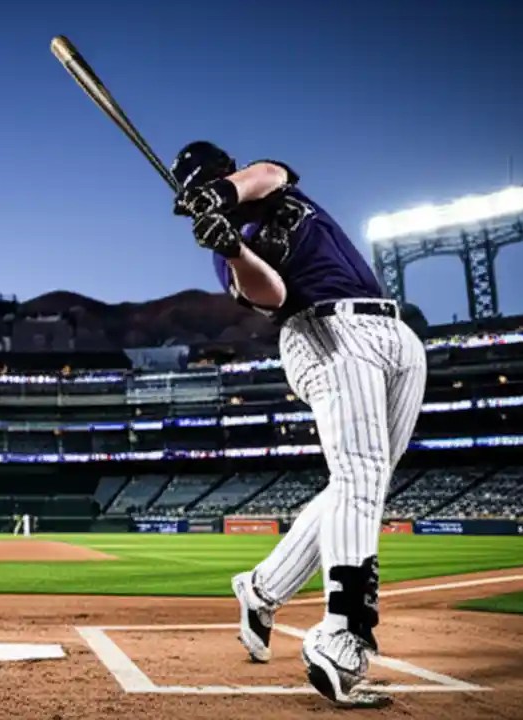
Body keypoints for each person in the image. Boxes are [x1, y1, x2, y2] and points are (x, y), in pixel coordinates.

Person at [169, 142, 428, 708]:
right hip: (324, 333)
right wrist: (232, 247)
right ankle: (343, 635)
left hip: (395, 333)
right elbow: (274, 295)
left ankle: (262, 588)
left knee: (362, 483)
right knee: (360, 477)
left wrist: (221, 195)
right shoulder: (223, 254)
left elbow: (266, 173)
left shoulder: (273, 186)